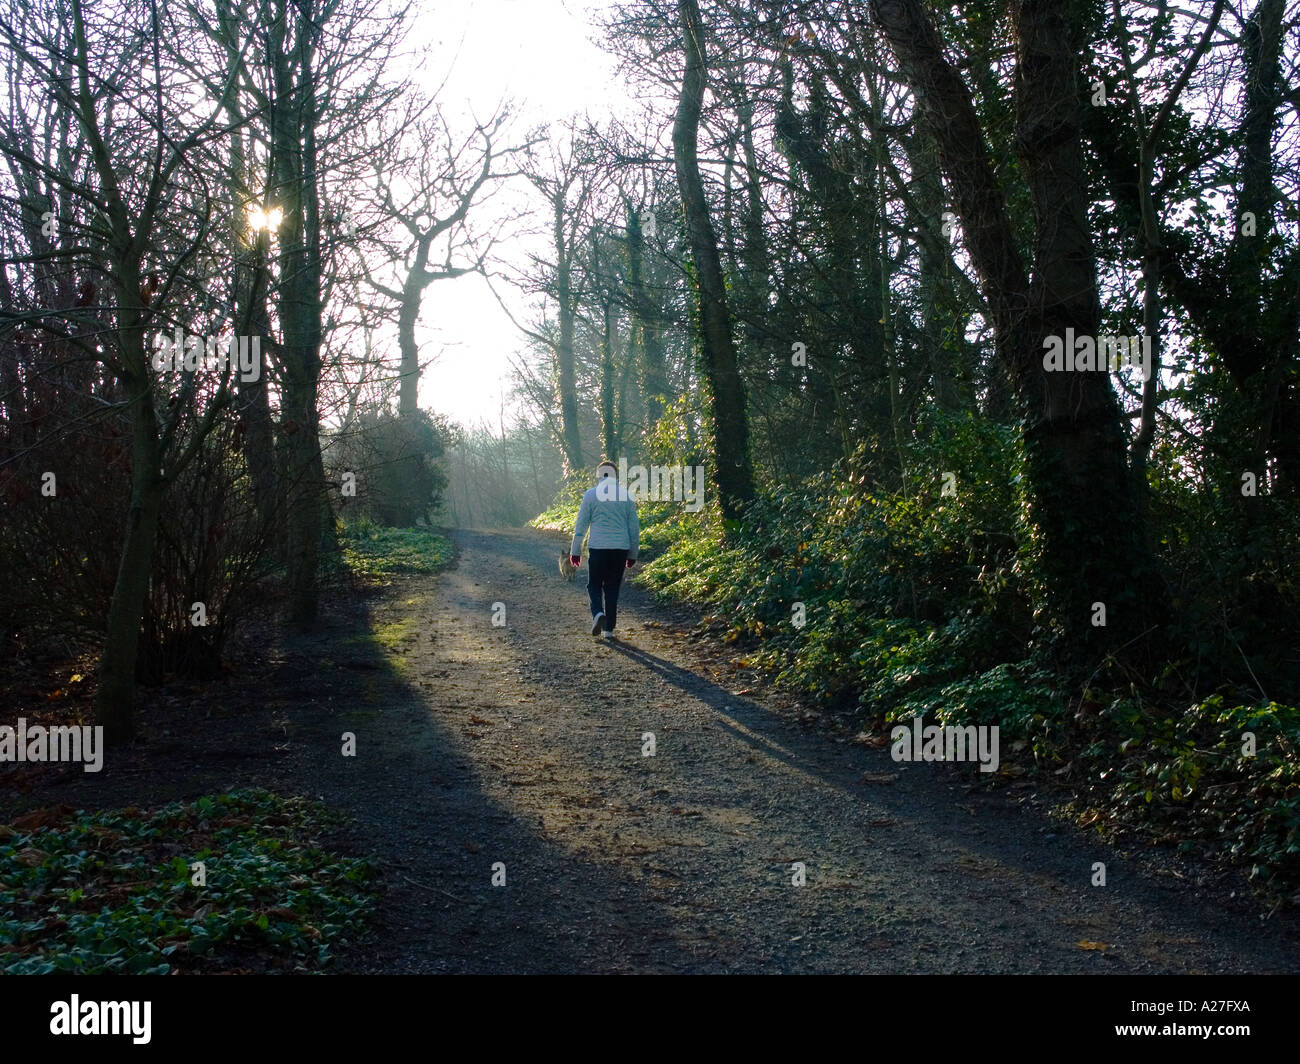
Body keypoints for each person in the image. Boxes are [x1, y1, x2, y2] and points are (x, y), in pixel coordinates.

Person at [570, 459, 639, 640]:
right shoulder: (626, 496)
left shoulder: (590, 495)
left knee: (594, 584)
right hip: (620, 548)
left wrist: (575, 551)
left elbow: (581, 526)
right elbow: (633, 528)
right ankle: (609, 630)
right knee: (612, 588)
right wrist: (633, 553)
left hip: (598, 547)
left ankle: (598, 613)